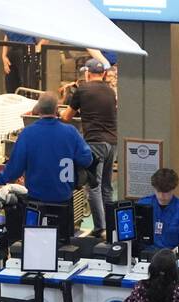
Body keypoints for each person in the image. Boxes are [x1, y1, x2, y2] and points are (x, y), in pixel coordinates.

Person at [0, 93, 91, 236]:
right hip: (63, 199)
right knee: (63, 244)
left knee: (34, 242)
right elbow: (86, 159)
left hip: (36, 202)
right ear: (57, 109)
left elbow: (14, 169)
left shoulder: (27, 134)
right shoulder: (70, 132)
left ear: (38, 109)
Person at [64, 58, 117, 238]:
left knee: (93, 186)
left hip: (95, 142)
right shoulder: (110, 91)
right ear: (102, 74)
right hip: (112, 144)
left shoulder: (82, 90)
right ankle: (110, 227)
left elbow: (66, 117)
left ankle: (100, 228)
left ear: (87, 73)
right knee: (107, 187)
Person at [135, 167, 179, 250]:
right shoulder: (141, 206)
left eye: (166, 192)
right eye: (159, 191)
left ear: (173, 189)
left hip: (171, 257)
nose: (162, 196)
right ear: (154, 188)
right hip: (145, 256)